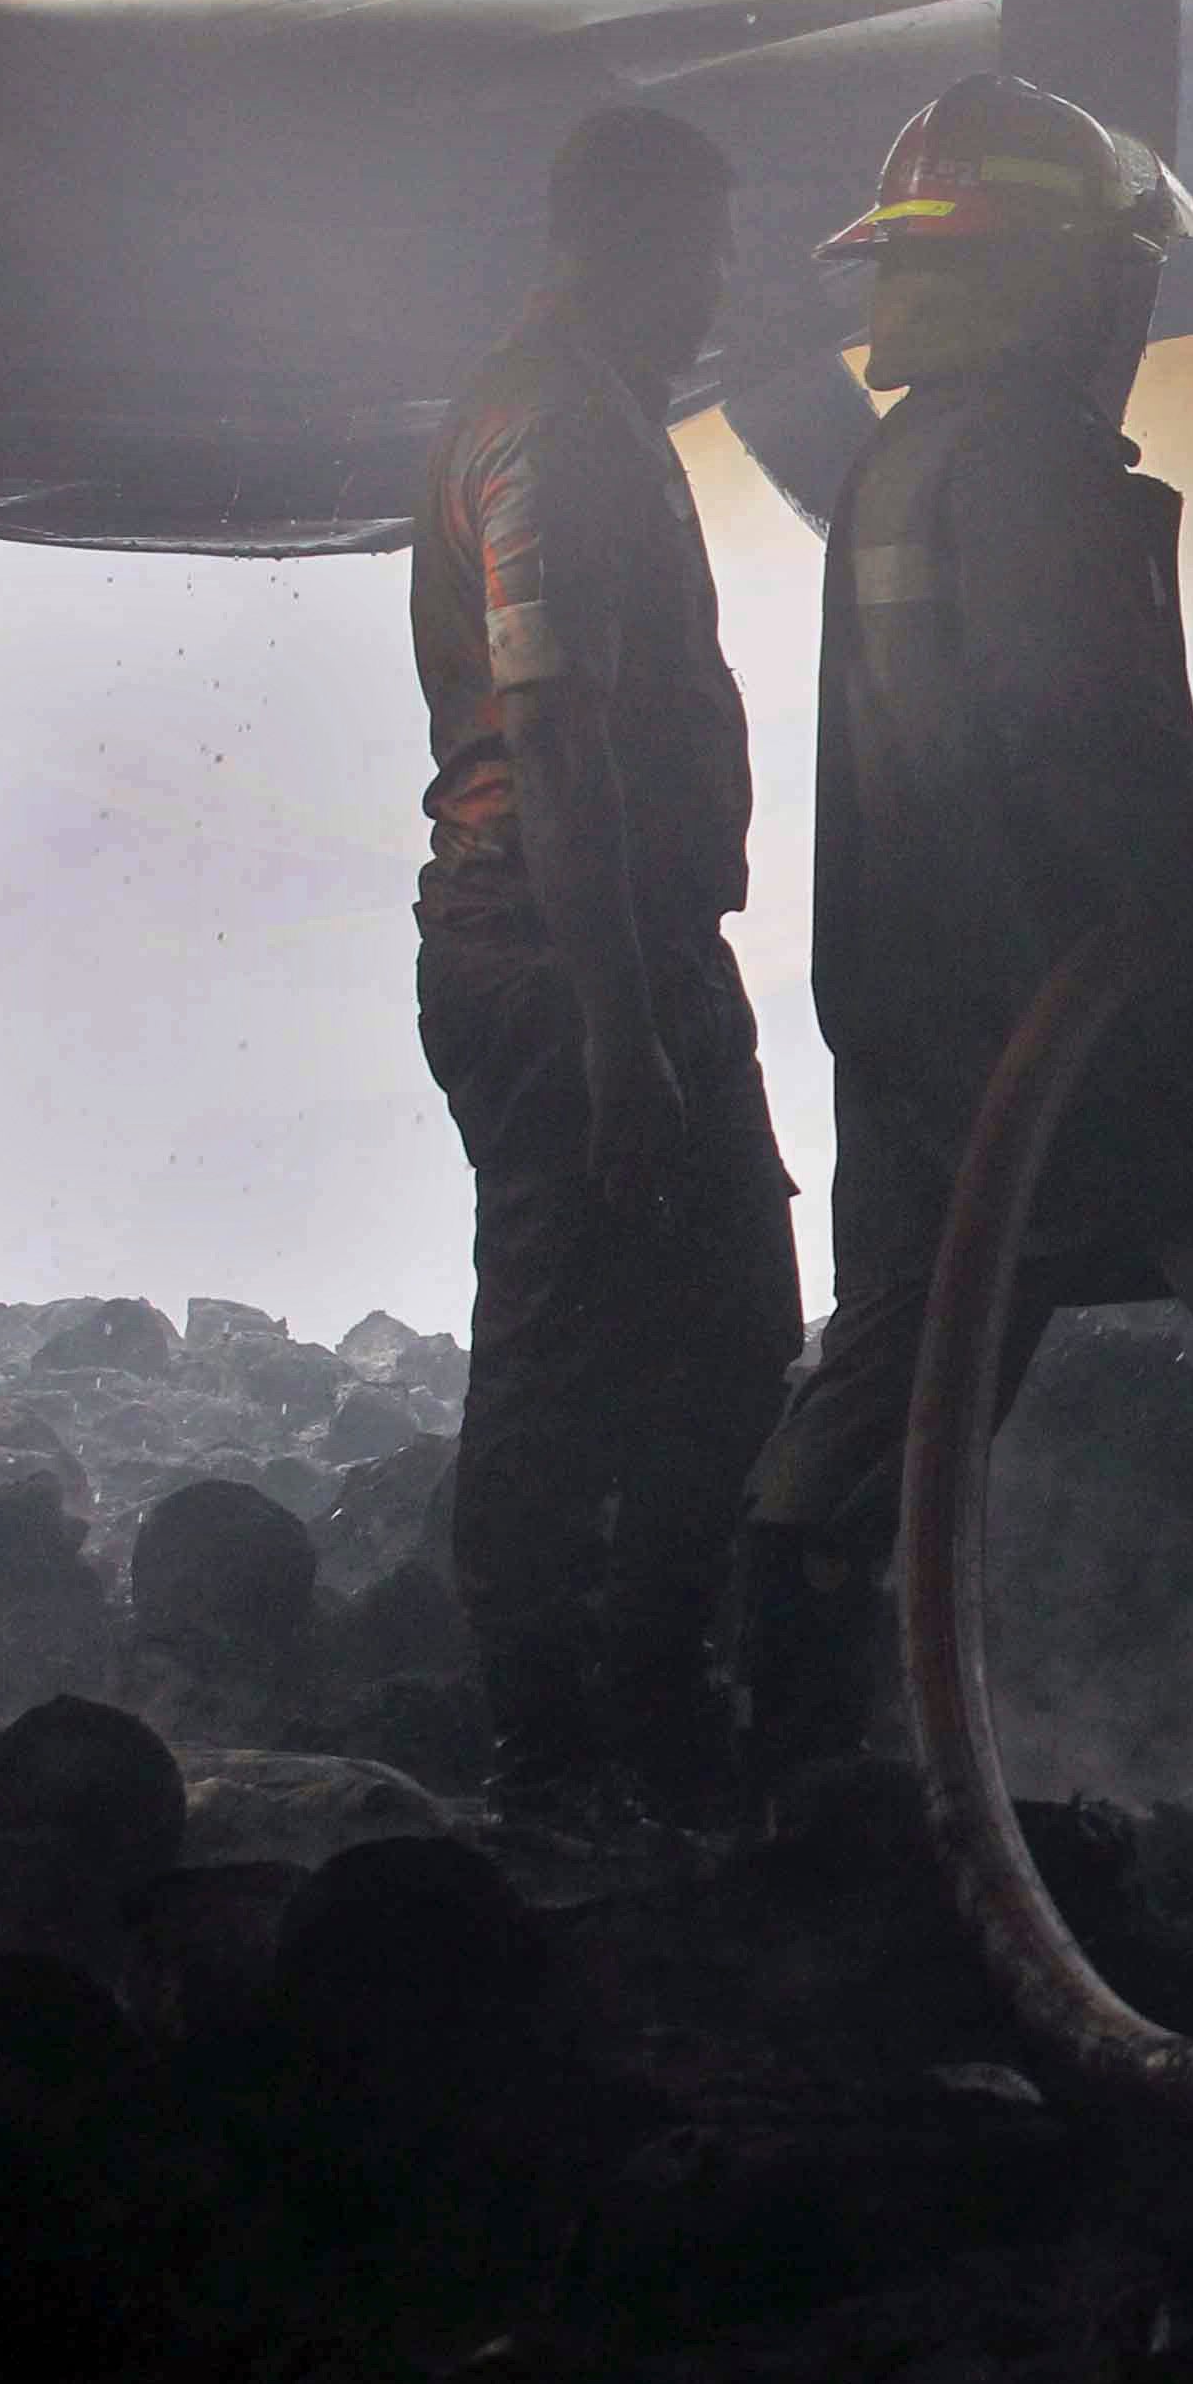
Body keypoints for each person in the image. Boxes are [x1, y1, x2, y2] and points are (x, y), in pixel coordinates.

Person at [730, 72, 1193, 1801]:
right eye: (1128, 277)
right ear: (1081, 281)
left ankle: (786, 1761)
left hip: (921, 1025)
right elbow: (1092, 785)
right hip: (1069, 1017)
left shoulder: (903, 464)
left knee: (901, 1368)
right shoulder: (1042, 469)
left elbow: (1050, 745)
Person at [410, 101, 803, 1824]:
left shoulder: (585, 416)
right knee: (577, 1347)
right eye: (700, 253)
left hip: (607, 952)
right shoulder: (555, 435)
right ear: (620, 241)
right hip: (564, 958)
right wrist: (621, 1034)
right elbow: (555, 742)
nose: (714, 290)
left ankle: (638, 1714)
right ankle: (564, 1752)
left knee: (710, 1330)